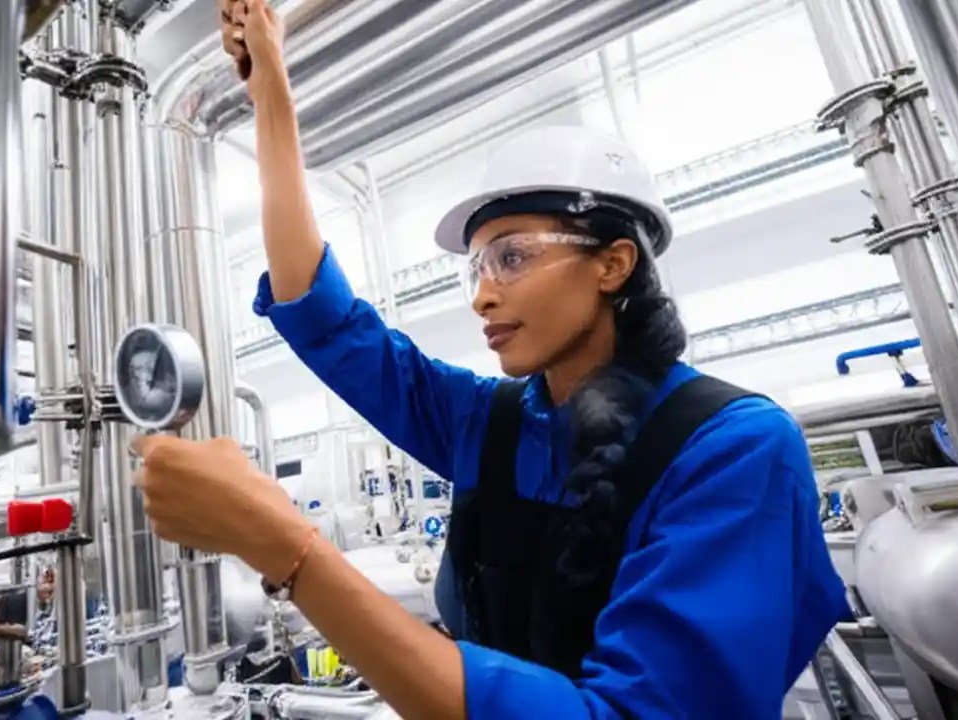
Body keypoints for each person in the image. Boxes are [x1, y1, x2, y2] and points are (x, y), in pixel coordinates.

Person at [131, 1, 851, 717]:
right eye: (474, 270)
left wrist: (287, 549)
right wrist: (271, 95)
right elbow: (322, 318)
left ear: (614, 263)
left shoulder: (734, 448)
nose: (482, 297)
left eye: (511, 258)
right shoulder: (490, 421)